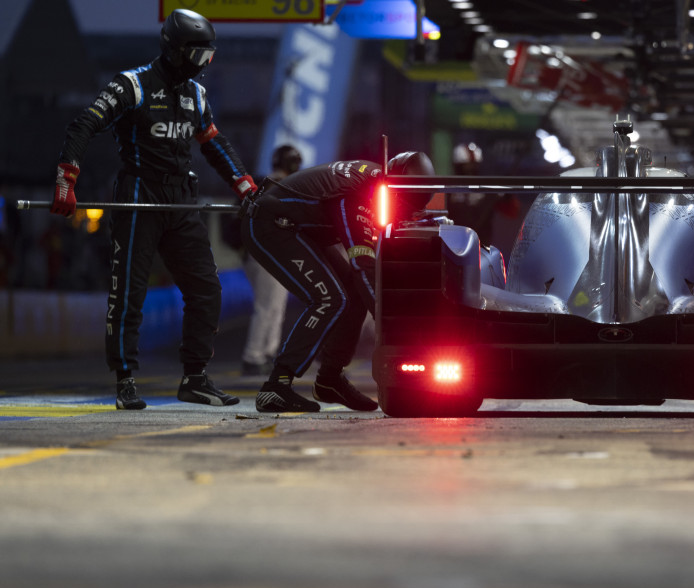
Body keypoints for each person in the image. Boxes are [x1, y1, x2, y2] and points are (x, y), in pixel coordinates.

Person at [50, 9, 257, 410]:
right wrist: (66, 177)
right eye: (197, 55)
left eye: (208, 56)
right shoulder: (132, 84)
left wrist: (244, 184)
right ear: (175, 49)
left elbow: (213, 142)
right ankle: (125, 380)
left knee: (207, 289)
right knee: (129, 292)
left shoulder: (197, 94)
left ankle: (195, 378)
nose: (202, 64)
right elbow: (84, 124)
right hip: (137, 196)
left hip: (181, 200)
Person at [240, 151, 434, 413]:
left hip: (299, 228)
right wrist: (393, 327)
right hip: (271, 225)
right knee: (330, 298)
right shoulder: (358, 195)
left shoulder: (378, 180)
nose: (404, 214)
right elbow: (363, 264)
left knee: (352, 294)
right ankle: (276, 385)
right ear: (395, 192)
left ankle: (329, 379)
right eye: (405, 207)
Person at [238, 145, 302, 376]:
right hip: (269, 254)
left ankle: (266, 353)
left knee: (273, 306)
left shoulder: (260, 184)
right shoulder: (282, 187)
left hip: (258, 254)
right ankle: (254, 356)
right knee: (268, 307)